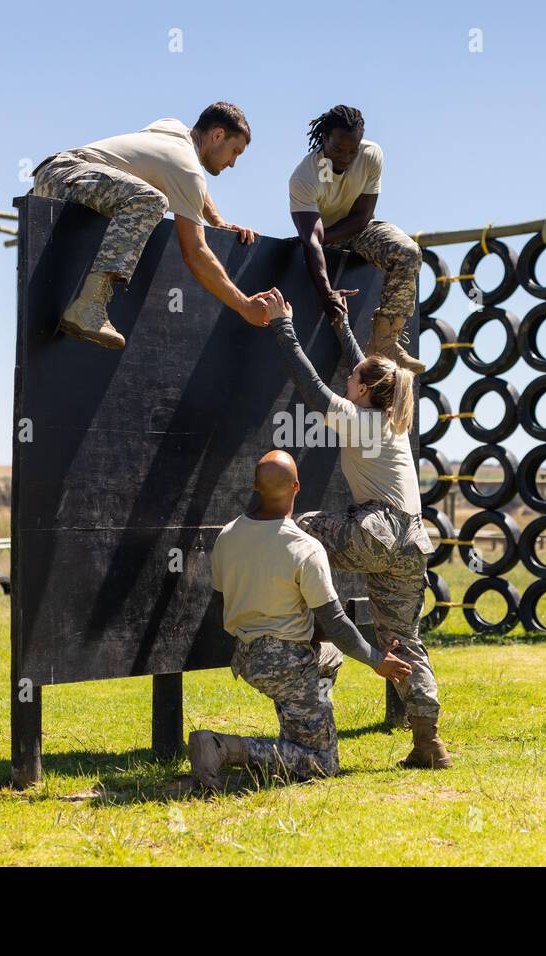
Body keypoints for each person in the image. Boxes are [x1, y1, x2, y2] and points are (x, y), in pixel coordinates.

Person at [259, 287, 451, 769]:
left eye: (354, 380)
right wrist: (341, 323)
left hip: (378, 529)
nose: (348, 380)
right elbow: (366, 366)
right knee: (404, 640)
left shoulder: (359, 419)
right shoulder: (392, 419)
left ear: (364, 391)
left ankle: (304, 629)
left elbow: (311, 388)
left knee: (299, 528)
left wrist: (284, 326)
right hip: (412, 542)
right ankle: (429, 743)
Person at [191, 450, 412, 788]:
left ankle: (297, 735)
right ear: (296, 487)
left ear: (254, 486)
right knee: (324, 764)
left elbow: (226, 593)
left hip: (248, 656)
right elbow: (335, 622)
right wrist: (376, 660)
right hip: (286, 662)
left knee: (330, 658)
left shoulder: (228, 535)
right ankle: (221, 747)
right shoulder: (304, 547)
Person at [30, 102, 273, 349]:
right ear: (218, 135)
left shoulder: (172, 128)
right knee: (152, 201)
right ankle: (89, 305)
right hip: (67, 175)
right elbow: (196, 254)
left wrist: (217, 221)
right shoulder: (187, 170)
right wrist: (244, 305)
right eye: (235, 151)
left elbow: (186, 179)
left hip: (62, 171)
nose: (232, 162)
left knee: (148, 197)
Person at [288, 105, 425, 374]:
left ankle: (385, 340)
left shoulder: (372, 155)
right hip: (323, 237)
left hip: (356, 229)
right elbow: (313, 240)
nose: (345, 158)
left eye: (353, 150)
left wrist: (315, 239)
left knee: (409, 252)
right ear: (324, 138)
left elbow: (362, 217)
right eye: (338, 149)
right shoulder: (304, 177)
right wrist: (327, 295)